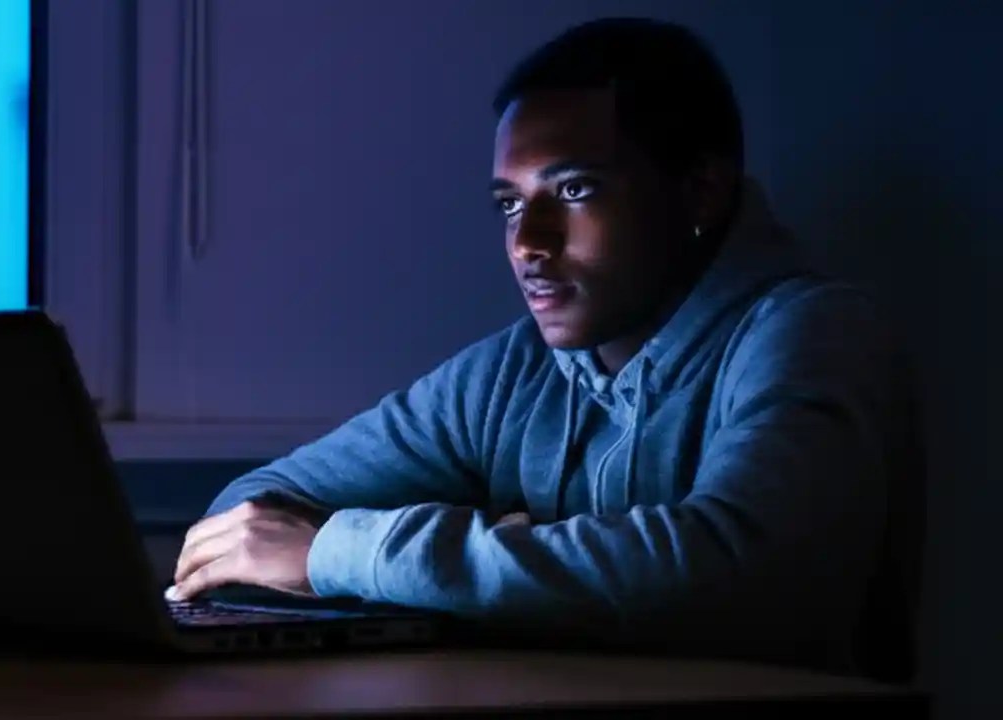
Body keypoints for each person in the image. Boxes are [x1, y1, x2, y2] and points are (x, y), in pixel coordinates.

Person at [169, 17, 924, 681]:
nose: (527, 243)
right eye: (509, 204)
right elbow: (238, 525)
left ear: (700, 191)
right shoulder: (512, 371)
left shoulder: (811, 332)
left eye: (573, 192)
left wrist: (356, 552)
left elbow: (735, 578)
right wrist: (508, 559)